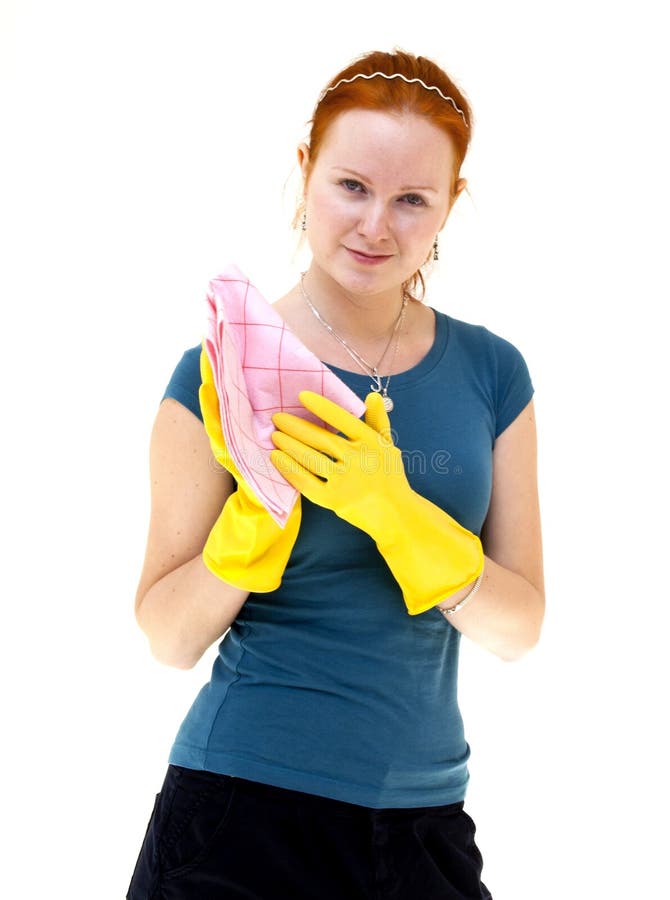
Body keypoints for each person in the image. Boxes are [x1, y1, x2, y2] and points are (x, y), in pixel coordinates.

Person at [127, 48, 544, 900]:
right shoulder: (217, 371)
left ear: (449, 205)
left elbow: (520, 627)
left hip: (425, 824)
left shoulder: (493, 373)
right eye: (351, 186)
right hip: (238, 815)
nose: (376, 226)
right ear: (306, 173)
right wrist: (243, 542)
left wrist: (399, 514)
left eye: (412, 200)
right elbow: (167, 638)